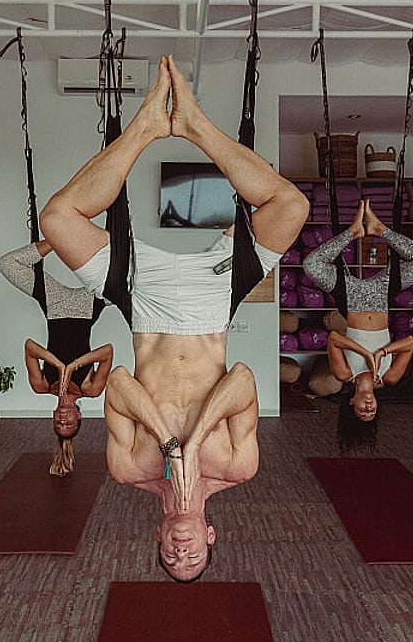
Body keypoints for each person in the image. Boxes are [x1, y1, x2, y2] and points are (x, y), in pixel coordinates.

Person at [39, 55, 309, 582]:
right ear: (211, 536)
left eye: (170, 556)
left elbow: (117, 382)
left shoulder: (129, 470)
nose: (180, 552)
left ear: (158, 538)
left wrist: (168, 445)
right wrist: (194, 445)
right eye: (194, 556)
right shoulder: (237, 467)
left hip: (145, 304)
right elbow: (242, 381)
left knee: (55, 219)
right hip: (213, 302)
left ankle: (142, 128)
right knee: (291, 207)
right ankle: (191, 124)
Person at [304, 199, 413, 449]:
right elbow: (409, 343)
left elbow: (334, 338)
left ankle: (352, 232)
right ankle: (380, 230)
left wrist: (366, 353)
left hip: (351, 298)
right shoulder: (390, 376)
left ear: (352, 403)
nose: (368, 408)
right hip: (381, 295)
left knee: (311, 265)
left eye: (362, 412)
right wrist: (384, 352)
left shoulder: (344, 374)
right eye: (372, 412)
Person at [0, 240, 114, 475]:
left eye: (58, 423)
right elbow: (107, 352)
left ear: (52, 416)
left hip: (54, 304)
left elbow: (30, 347)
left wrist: (58, 365)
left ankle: (56, 238)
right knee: (135, 285)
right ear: (78, 416)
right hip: (88, 306)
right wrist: (74, 366)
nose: (63, 419)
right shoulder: (90, 389)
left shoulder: (41, 386)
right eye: (68, 423)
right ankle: (106, 240)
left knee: (7, 264)